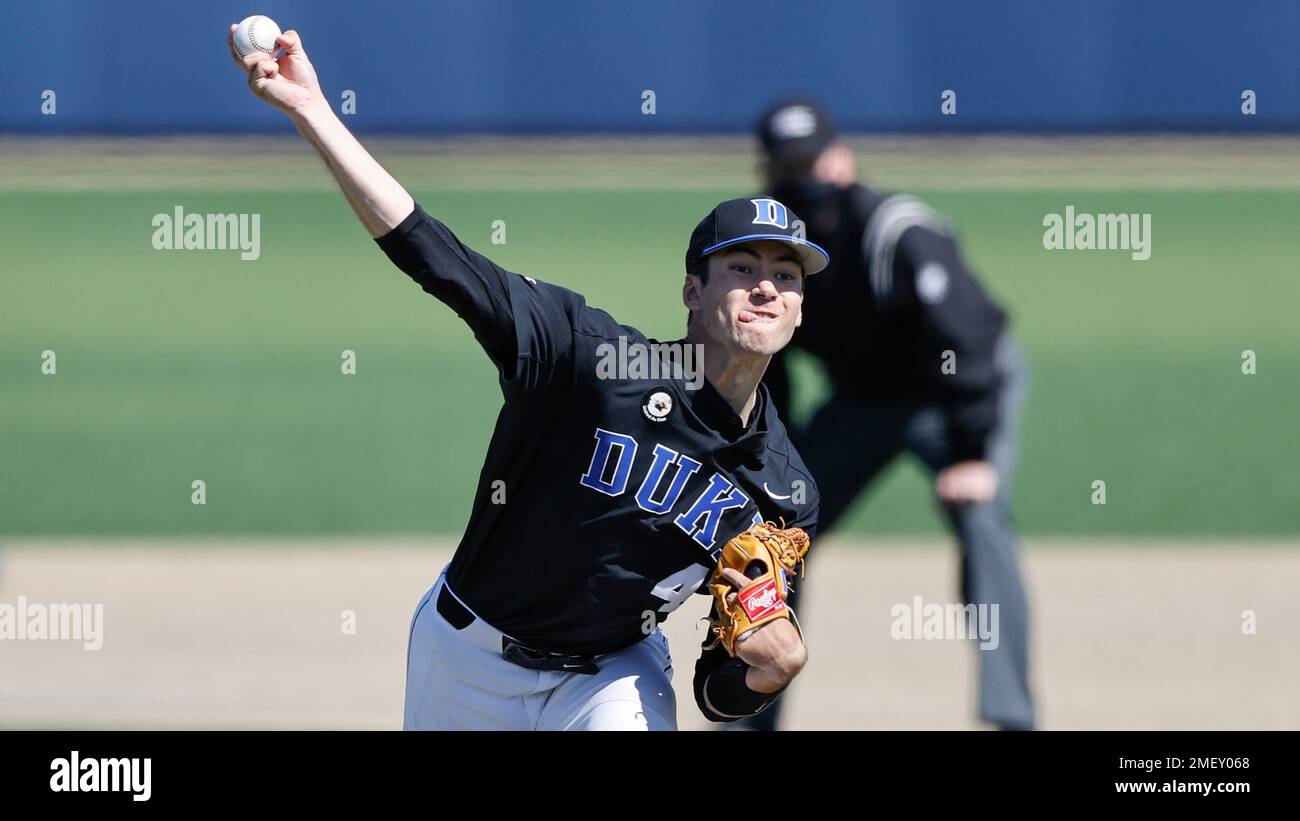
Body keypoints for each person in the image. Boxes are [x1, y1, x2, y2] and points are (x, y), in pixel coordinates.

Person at [227, 26, 828, 730]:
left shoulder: (783, 490)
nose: (765, 289)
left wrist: (762, 673)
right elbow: (438, 257)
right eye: (742, 269)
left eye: (785, 277)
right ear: (694, 292)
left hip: (612, 673)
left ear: (800, 309)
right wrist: (313, 112)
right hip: (466, 659)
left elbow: (712, 690)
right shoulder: (594, 361)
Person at [740, 99, 1034, 731]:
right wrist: (770, 465)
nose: (799, 176)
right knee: (775, 532)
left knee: (982, 519)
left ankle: (1011, 718)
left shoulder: (898, 230)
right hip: (864, 402)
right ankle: (746, 716)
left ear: (840, 157)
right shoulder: (772, 254)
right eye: (785, 166)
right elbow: (772, 372)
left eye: (809, 161)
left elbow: (970, 340)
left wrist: (974, 452)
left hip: (957, 394)